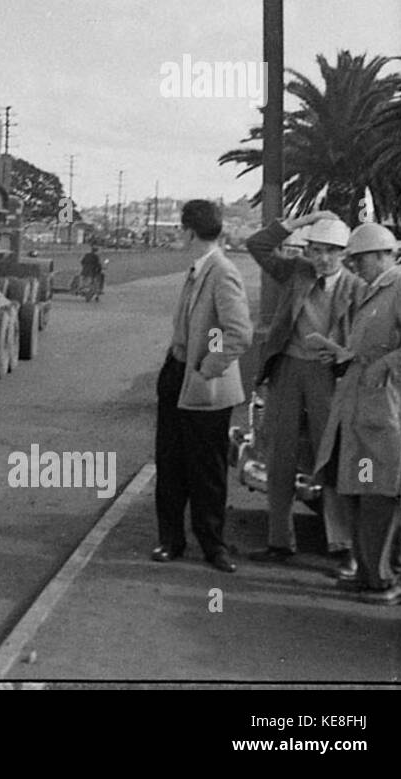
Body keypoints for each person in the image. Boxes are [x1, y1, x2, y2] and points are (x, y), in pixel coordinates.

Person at [244, 211, 363, 567]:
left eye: (331, 251)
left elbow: (369, 338)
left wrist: (344, 357)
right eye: (316, 250)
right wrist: (304, 219)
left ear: (345, 254)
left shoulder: (357, 288)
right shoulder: (296, 271)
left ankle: (340, 543)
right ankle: (279, 541)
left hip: (329, 377)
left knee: (331, 456)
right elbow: (258, 244)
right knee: (279, 455)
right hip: (288, 370)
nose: (322, 259)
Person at [151, 200, 253, 573]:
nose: (179, 236)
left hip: (202, 383)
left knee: (206, 467)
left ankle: (213, 544)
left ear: (189, 231)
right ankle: (171, 539)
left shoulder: (221, 272)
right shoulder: (199, 270)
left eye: (181, 230)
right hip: (177, 375)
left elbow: (237, 332)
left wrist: (204, 366)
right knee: (171, 461)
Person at [312, 223, 401, 605]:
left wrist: (387, 363)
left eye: (363, 258)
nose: (358, 265)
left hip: (385, 415)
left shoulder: (400, 289)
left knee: (383, 495)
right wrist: (343, 355)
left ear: (386, 256)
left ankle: (391, 578)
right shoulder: (372, 293)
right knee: (361, 491)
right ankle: (369, 574)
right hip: (359, 415)